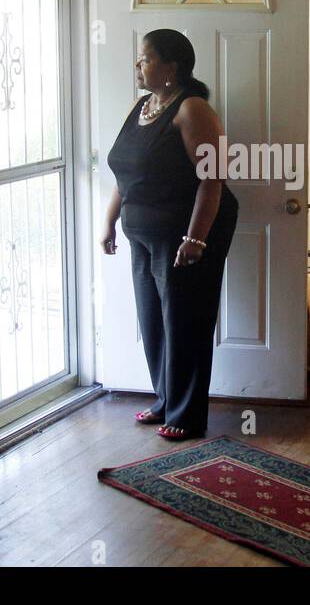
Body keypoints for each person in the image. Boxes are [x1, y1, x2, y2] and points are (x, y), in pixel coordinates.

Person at [101, 29, 239, 440]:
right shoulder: (143, 106)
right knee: (153, 319)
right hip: (142, 232)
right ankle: (164, 399)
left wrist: (196, 239)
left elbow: (212, 179)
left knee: (185, 321)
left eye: (144, 59)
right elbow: (125, 173)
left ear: (171, 67)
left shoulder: (192, 109)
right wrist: (109, 221)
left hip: (187, 230)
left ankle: (186, 414)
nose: (137, 66)